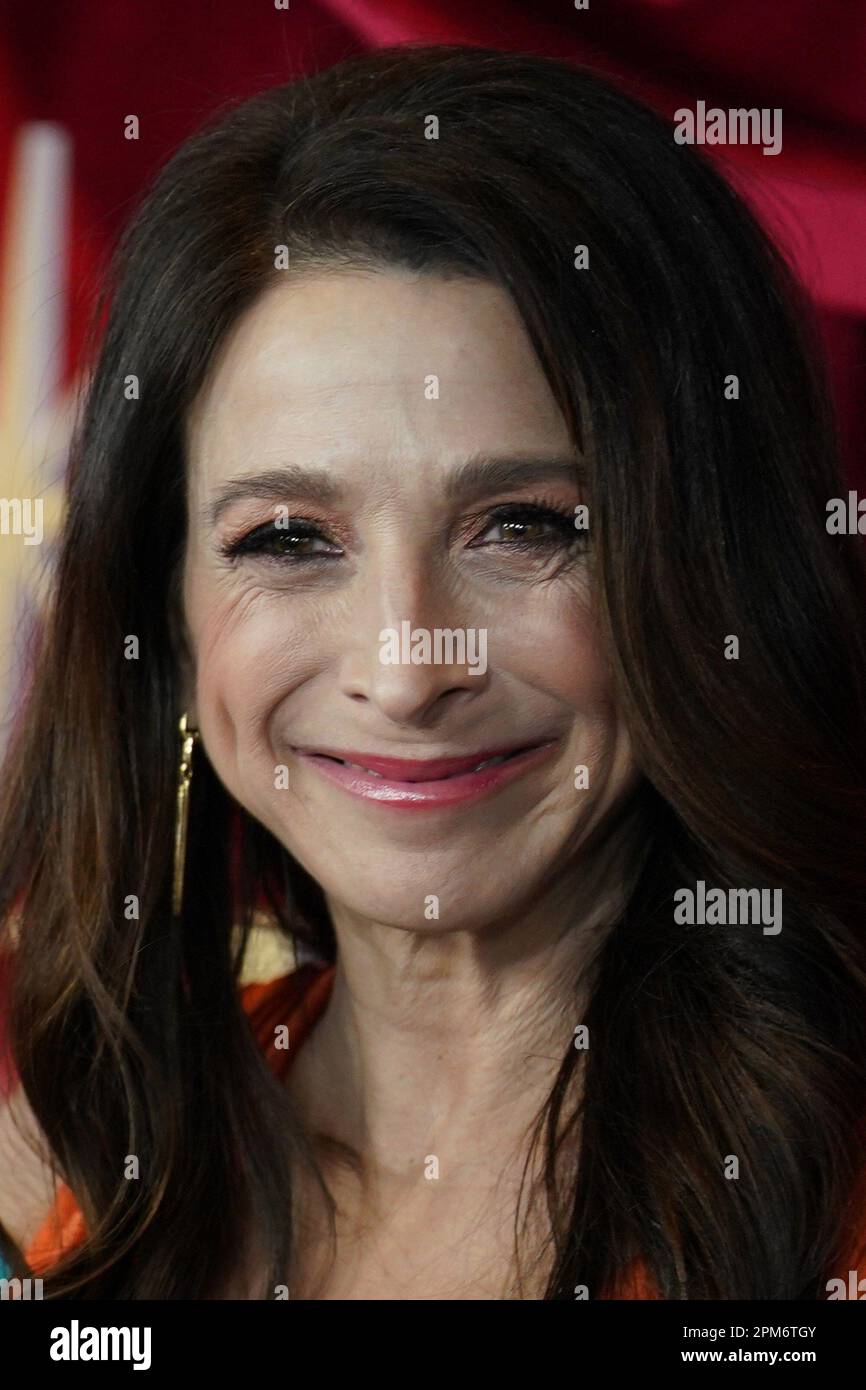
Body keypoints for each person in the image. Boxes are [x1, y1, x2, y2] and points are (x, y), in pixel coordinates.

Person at [1, 43, 865, 1300]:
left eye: (524, 525)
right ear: (166, 614)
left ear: (709, 567)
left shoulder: (828, 1212)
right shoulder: (77, 1185)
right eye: (288, 539)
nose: (407, 668)